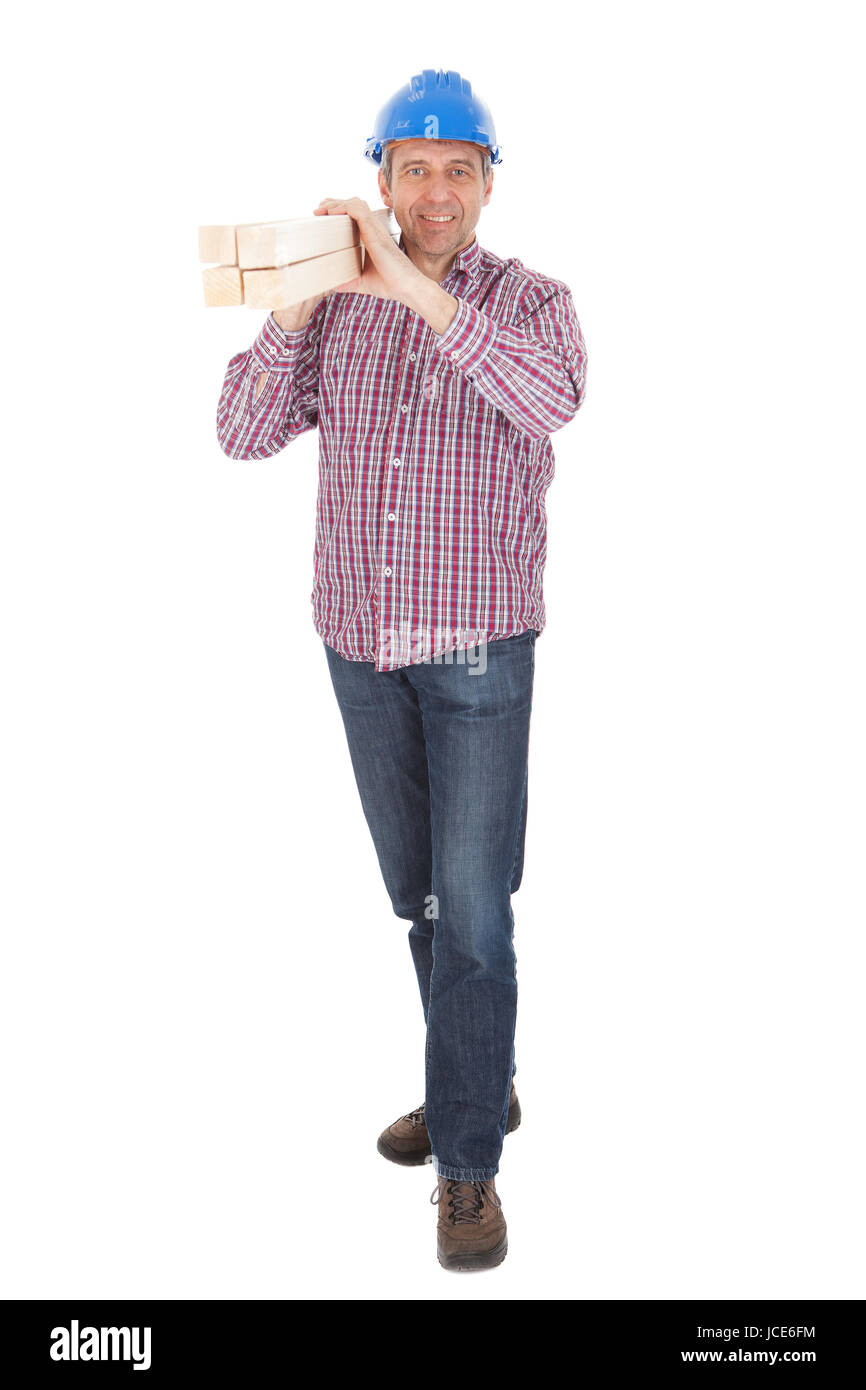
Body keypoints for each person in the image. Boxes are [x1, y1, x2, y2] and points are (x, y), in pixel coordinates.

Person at [216, 67, 588, 1271]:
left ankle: (467, 1165)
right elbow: (238, 434)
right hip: (359, 647)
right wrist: (291, 305)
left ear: (487, 185)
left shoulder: (530, 303)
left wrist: (412, 290)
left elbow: (551, 400)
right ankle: (473, 1072)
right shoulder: (332, 307)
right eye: (412, 168)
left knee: (471, 912)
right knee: (419, 895)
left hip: (476, 653)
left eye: (457, 170)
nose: (434, 191)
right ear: (381, 179)